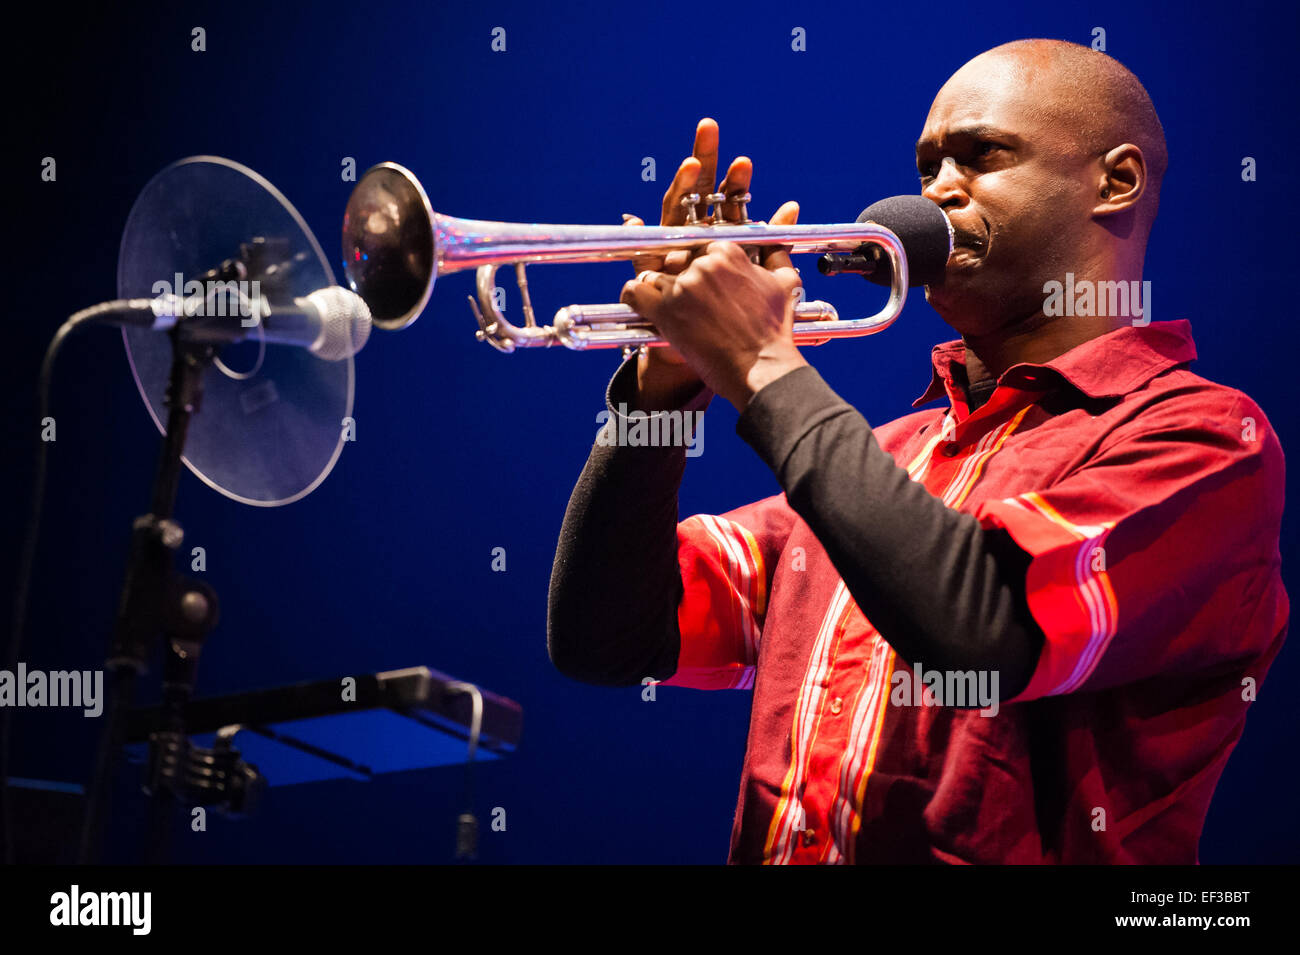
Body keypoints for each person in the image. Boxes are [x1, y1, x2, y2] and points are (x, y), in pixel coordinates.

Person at [547, 39, 1288, 864]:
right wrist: (664, 390)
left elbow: (983, 627)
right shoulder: (884, 460)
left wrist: (761, 366)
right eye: (928, 163)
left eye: (981, 156)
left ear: (1114, 182)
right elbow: (606, 637)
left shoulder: (1210, 440)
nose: (935, 191)